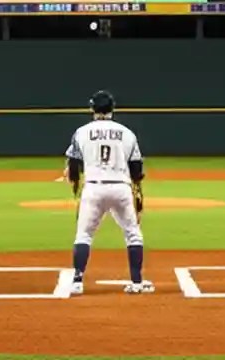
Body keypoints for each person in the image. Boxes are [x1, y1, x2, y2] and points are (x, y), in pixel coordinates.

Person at [65, 89, 152, 296]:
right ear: (113, 108)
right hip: (121, 187)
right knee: (133, 234)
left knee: (84, 234)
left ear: (92, 108)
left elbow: (74, 166)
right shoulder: (127, 133)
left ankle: (77, 281)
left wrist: (76, 189)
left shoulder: (82, 132)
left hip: (94, 187)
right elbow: (137, 169)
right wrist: (137, 193)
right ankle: (137, 282)